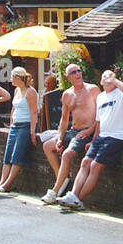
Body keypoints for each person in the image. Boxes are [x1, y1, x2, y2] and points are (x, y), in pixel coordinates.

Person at [58, 69, 123, 211]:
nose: (107, 78)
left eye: (110, 76)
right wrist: (93, 140)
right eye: (104, 77)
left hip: (118, 136)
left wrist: (116, 81)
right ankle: (73, 195)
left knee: (95, 166)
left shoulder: (120, 94)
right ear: (100, 82)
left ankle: (78, 200)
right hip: (102, 136)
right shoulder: (101, 97)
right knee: (86, 162)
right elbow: (98, 122)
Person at [40, 64, 99, 204]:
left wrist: (90, 131)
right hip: (73, 131)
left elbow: (100, 116)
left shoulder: (93, 89)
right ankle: (62, 180)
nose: (78, 74)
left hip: (86, 132)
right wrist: (60, 138)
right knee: (48, 146)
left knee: (66, 154)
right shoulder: (67, 94)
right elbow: (64, 119)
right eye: (73, 72)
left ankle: (54, 191)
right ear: (68, 77)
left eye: (79, 70)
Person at [0, 67, 38, 193]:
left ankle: (7, 184)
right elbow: (13, 109)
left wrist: (32, 131)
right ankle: (1, 182)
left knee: (17, 155)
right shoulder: (17, 90)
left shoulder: (30, 92)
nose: (10, 79)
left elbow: (34, 112)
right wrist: (11, 123)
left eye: (12, 77)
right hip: (15, 126)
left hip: (25, 125)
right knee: (8, 154)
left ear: (17, 77)